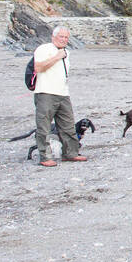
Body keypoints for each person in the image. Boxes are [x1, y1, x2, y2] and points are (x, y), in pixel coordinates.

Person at [33, 25, 86, 167]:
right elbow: (38, 67)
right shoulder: (44, 49)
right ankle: (45, 156)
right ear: (53, 37)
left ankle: (71, 152)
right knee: (44, 126)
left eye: (66, 37)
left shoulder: (67, 52)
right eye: (61, 36)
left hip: (63, 93)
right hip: (45, 92)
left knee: (68, 125)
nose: (64, 39)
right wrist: (56, 57)